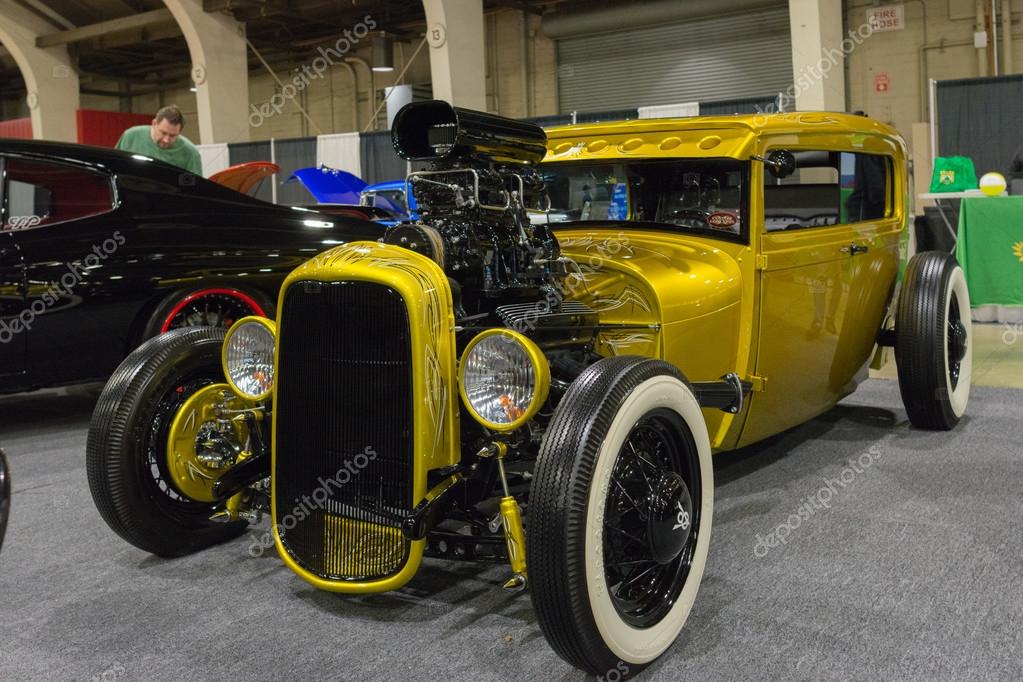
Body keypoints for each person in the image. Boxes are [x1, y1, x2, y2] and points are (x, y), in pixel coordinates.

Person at [115, 105, 203, 176]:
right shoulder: (130, 136)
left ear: (180, 132)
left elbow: (194, 187)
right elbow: (115, 167)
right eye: (163, 133)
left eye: (173, 135)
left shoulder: (190, 153)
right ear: (154, 123)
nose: (166, 140)